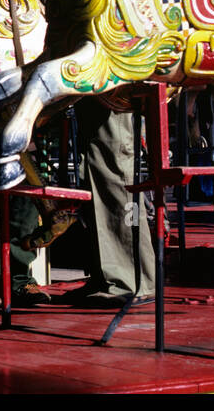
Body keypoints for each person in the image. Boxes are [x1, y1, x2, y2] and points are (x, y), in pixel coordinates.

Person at [60, 99, 155, 306]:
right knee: (96, 174)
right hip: (94, 88)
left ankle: (132, 281)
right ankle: (105, 278)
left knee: (116, 175)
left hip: (112, 86)